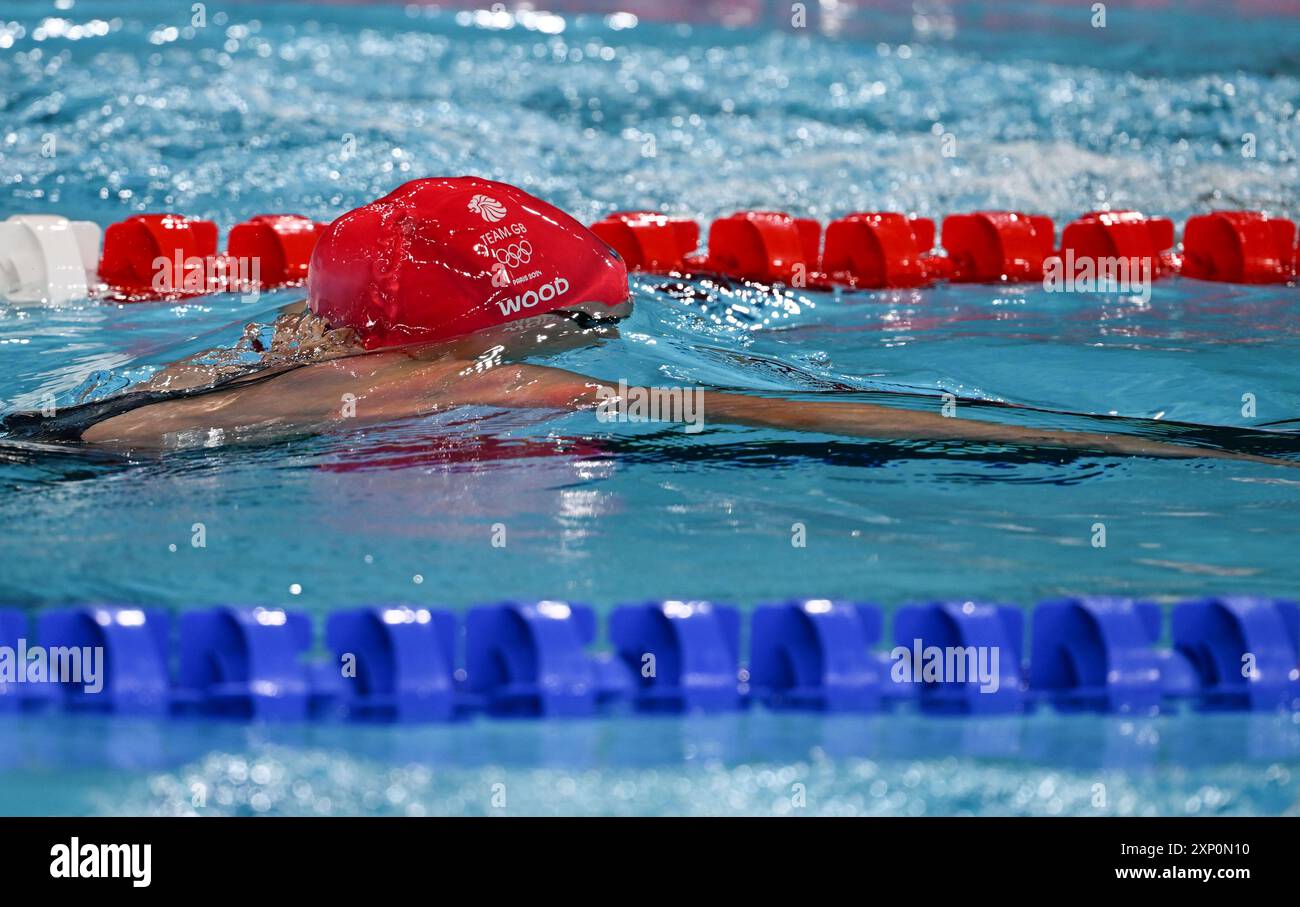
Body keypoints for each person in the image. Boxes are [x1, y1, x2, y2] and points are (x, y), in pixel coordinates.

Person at [2, 177, 1296, 468]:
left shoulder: (249, 368)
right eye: (565, 325)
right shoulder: (497, 393)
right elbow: (788, 416)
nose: (580, 344)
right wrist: (1170, 446)